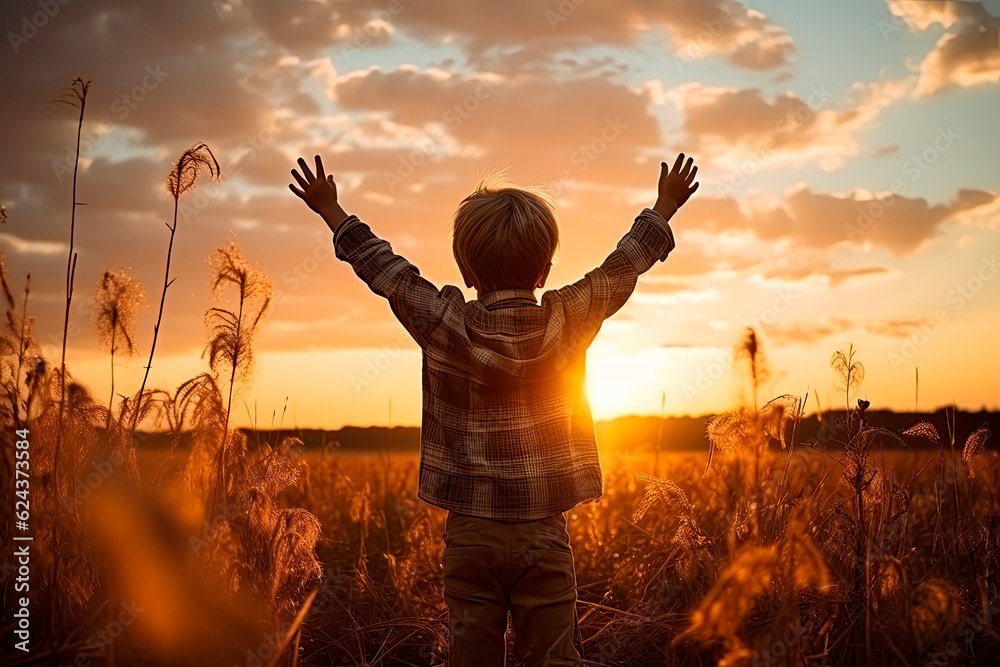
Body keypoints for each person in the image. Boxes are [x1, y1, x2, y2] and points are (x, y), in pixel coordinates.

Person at [289, 153, 699, 665]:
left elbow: (388, 272)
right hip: (543, 532)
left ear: (465, 269)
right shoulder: (569, 316)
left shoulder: (444, 322)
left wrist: (334, 213)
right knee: (554, 659)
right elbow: (622, 267)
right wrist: (663, 208)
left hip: (470, 535)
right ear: (546, 269)